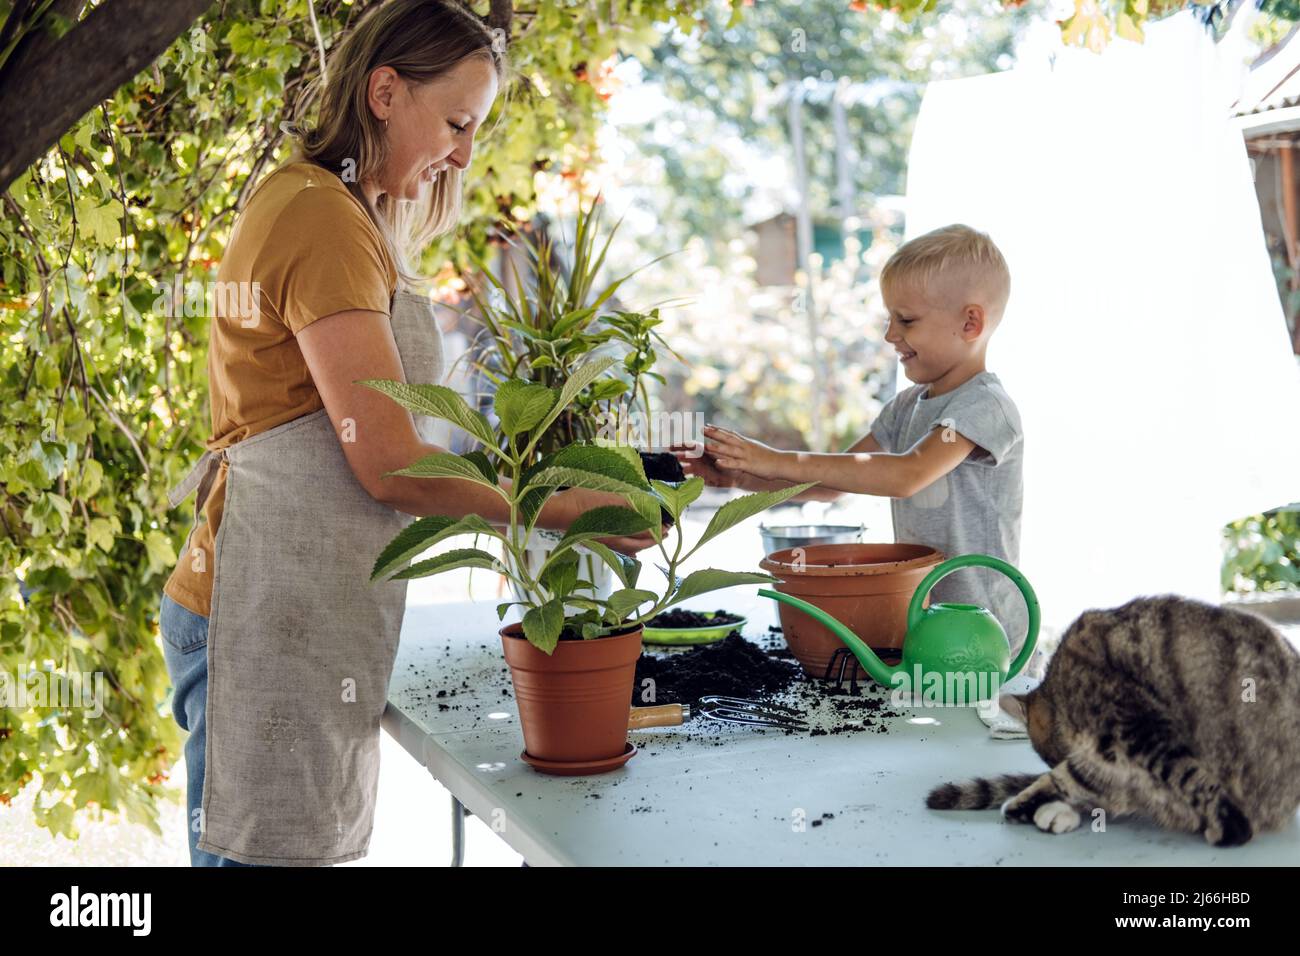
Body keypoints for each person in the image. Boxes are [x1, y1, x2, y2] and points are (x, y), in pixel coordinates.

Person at [160, 0, 657, 867]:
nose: (465, 152)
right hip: (264, 615)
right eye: (458, 122)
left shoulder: (338, 210)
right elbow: (388, 462)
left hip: (296, 612)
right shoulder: (321, 219)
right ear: (385, 90)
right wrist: (564, 508)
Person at [675, 224, 1028, 654]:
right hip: (926, 623)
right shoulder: (906, 408)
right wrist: (744, 477)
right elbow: (829, 484)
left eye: (907, 320)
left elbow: (907, 474)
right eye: (889, 319)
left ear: (970, 322)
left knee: (967, 717)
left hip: (984, 635)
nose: (890, 335)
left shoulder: (985, 406)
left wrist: (774, 458)